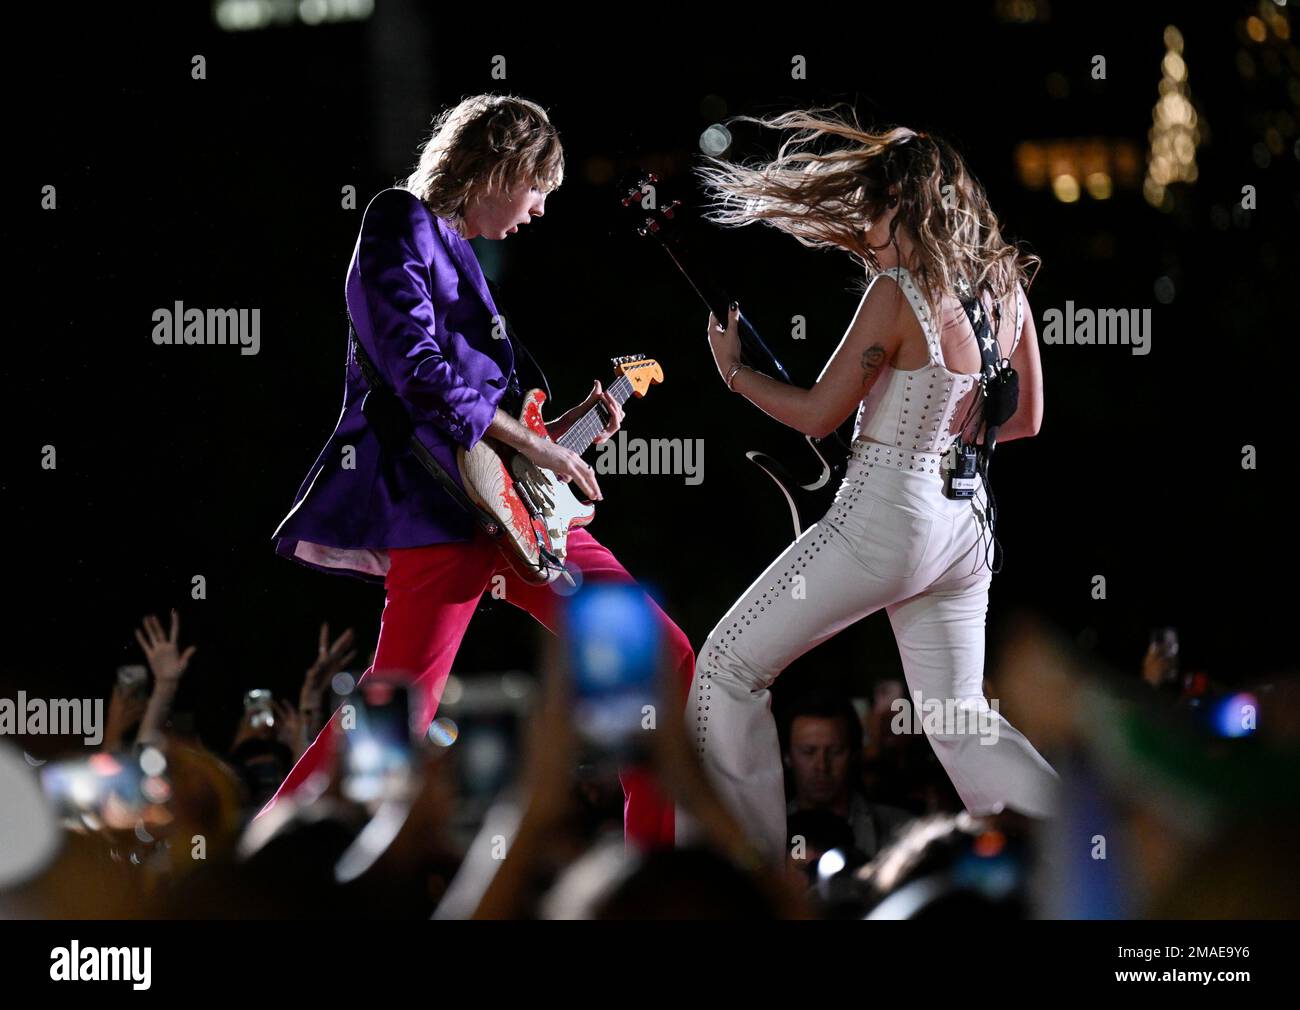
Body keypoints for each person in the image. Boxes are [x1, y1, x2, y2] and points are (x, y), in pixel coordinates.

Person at [264, 94, 692, 848]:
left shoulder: (463, 254)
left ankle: (650, 868)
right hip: (434, 506)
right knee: (401, 708)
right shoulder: (396, 218)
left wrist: (557, 434)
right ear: (502, 167)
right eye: (537, 190)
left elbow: (495, 420)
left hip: (512, 514)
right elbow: (417, 372)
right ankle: (265, 859)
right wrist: (537, 449)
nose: (538, 211)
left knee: (660, 655)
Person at [677, 108, 1059, 863]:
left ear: (897, 206)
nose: (862, 228)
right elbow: (1029, 420)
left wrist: (733, 373)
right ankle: (1082, 843)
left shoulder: (897, 292)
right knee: (958, 720)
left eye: (869, 211)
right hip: (966, 527)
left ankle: (739, 887)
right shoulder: (1003, 283)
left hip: (887, 519)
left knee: (725, 668)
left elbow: (819, 415)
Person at [783, 690, 913, 861]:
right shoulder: (768, 831)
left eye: (836, 752)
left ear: (854, 754)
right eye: (808, 752)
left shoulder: (901, 831)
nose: (822, 766)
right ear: (787, 756)